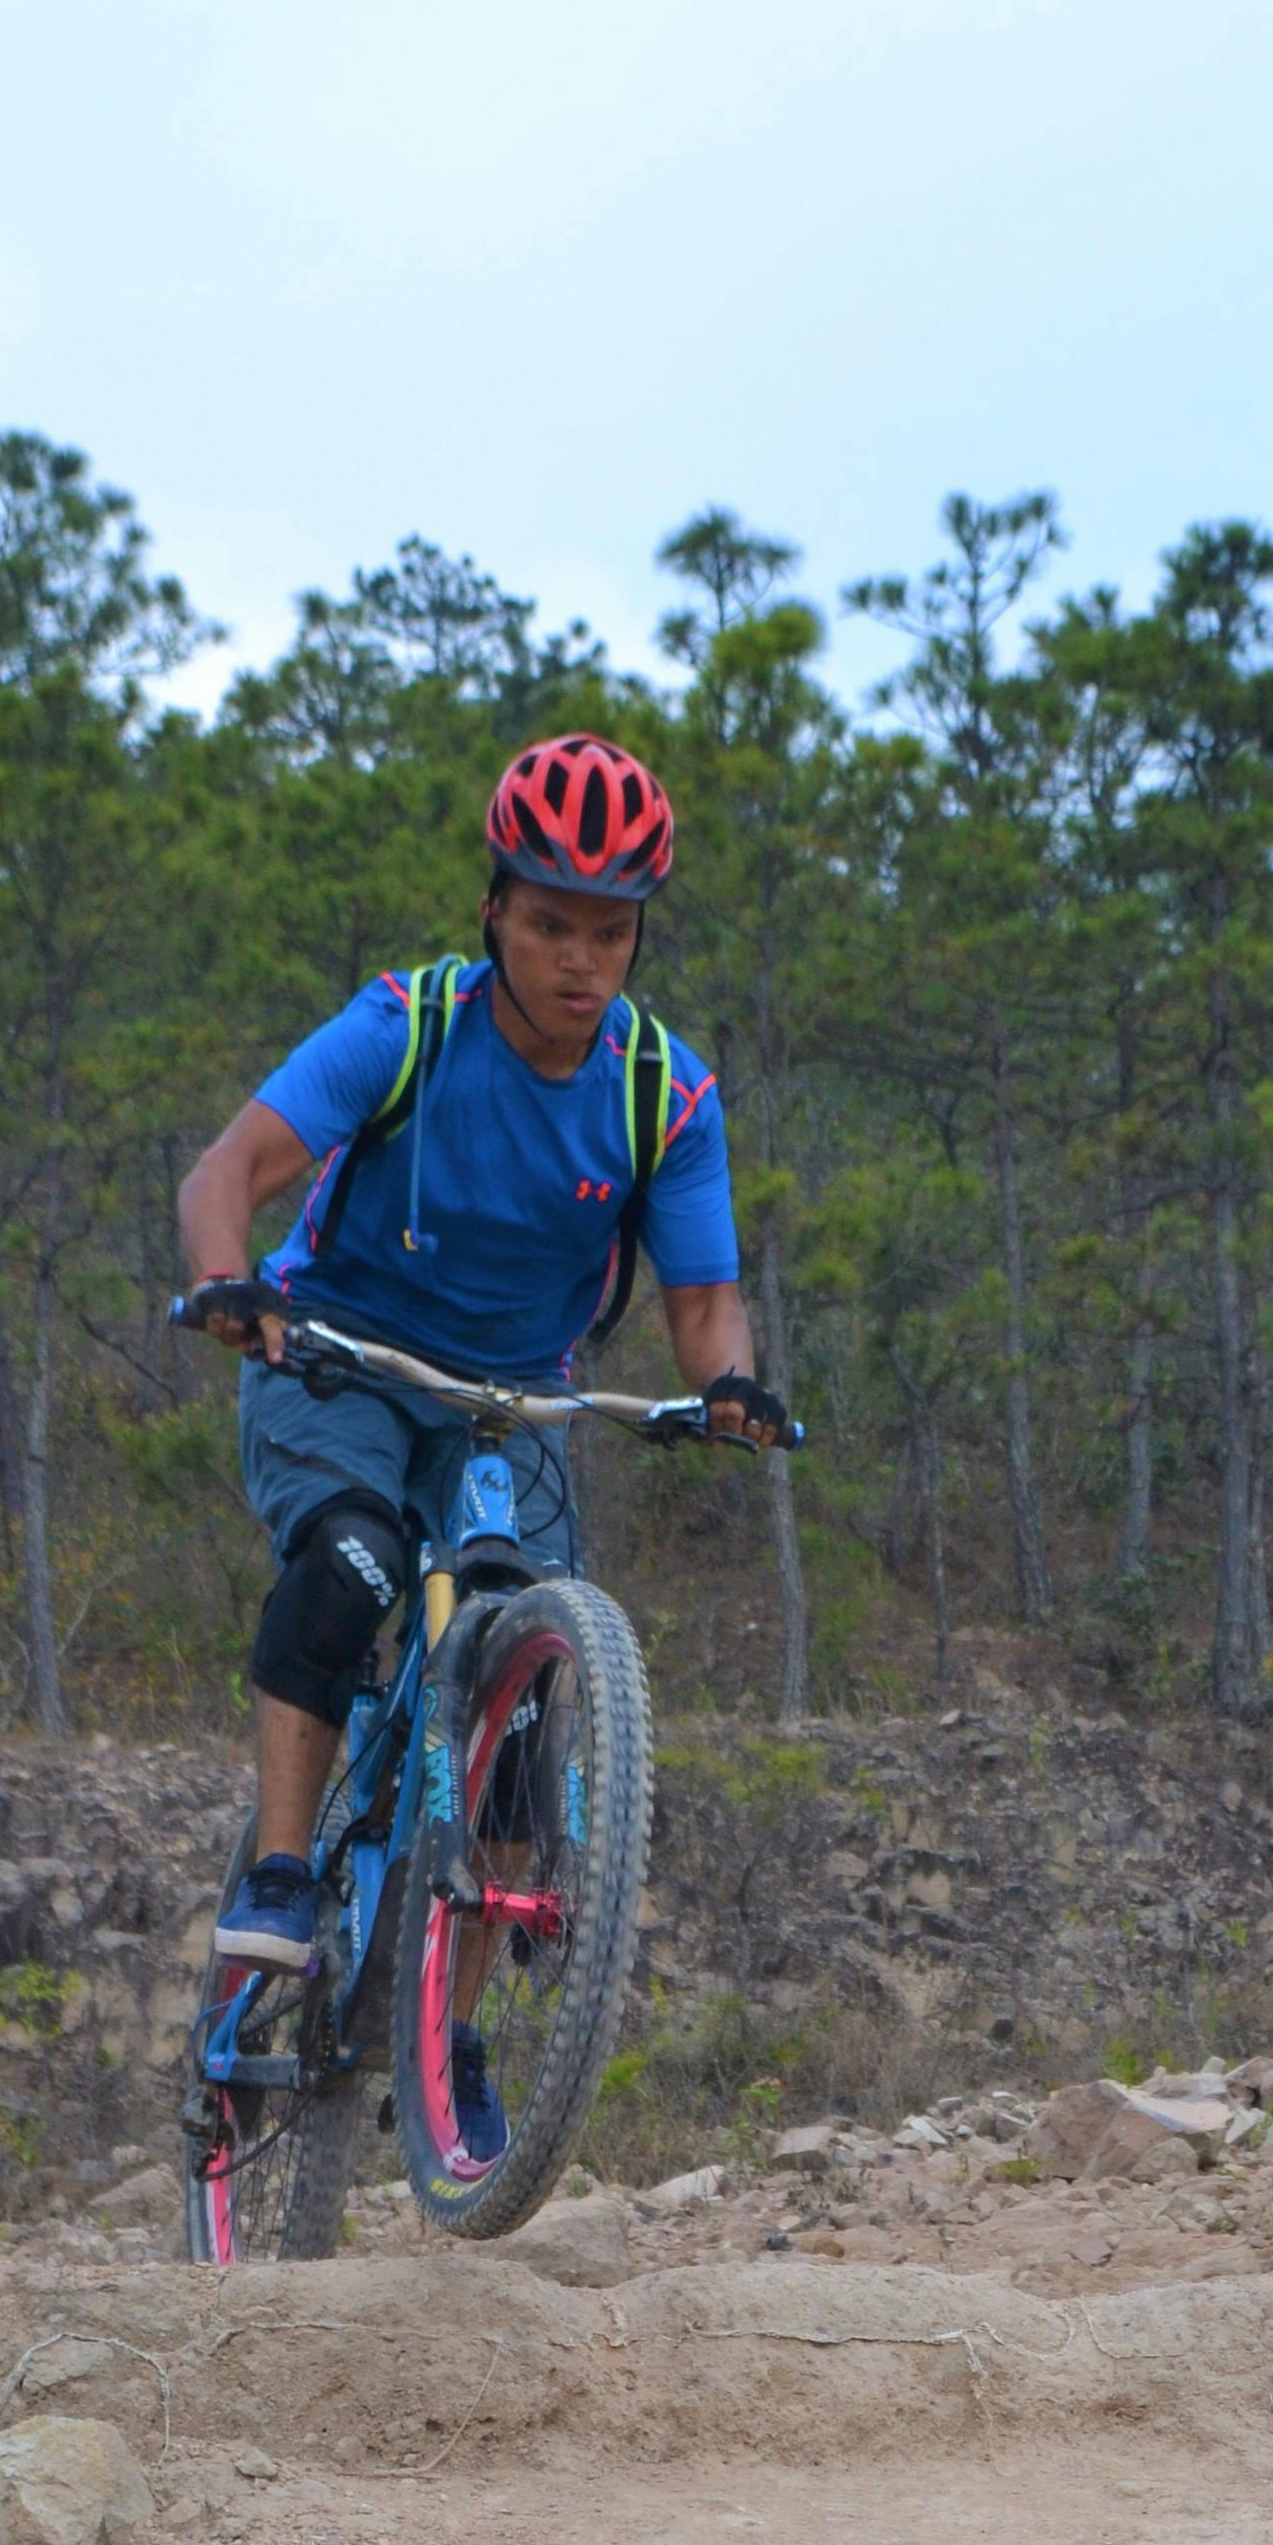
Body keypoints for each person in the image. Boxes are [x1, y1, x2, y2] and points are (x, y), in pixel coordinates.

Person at [175, 735, 786, 2092]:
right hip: (335, 1354)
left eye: (610, 932)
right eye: (550, 923)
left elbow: (703, 1306)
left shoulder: (660, 1093)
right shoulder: (410, 1023)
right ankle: (280, 1879)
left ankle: (459, 2021)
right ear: (494, 911)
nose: (580, 960)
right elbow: (231, 1168)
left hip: (513, 1404)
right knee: (354, 1563)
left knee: (531, 1675)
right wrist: (226, 1281)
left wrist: (729, 1383)